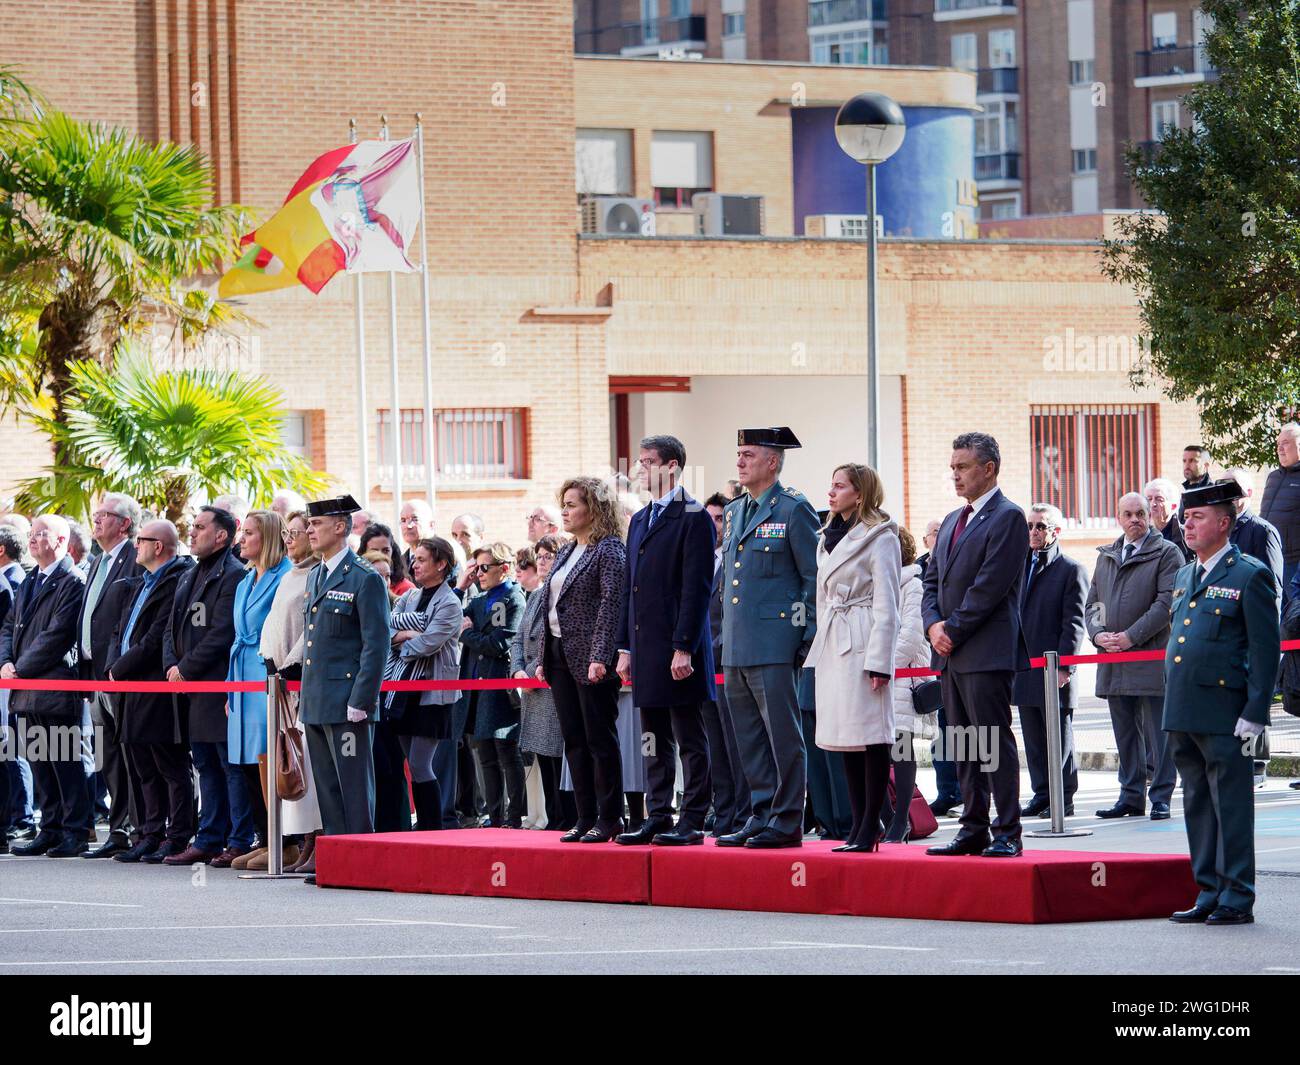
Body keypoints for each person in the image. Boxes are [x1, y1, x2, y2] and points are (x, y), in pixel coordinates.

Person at [1166, 479, 1279, 925]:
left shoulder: (1250, 574)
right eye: (1186, 518)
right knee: (1196, 801)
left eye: (1197, 518)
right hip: (1184, 708)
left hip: (1226, 712)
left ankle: (1237, 895)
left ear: (1225, 523)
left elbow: (1264, 650)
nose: (1187, 525)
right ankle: (1209, 890)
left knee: (1230, 804)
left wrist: (1256, 712)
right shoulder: (1185, 573)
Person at [922, 432, 1029, 859]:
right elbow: (931, 580)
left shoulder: (1008, 517)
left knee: (991, 741)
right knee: (963, 742)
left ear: (989, 469)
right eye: (952, 467)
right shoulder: (951, 520)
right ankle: (973, 826)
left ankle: (1008, 830)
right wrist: (932, 626)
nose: (955, 475)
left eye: (963, 467)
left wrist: (953, 630)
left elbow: (990, 587)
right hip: (950, 652)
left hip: (984, 651)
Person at [717, 427, 819, 850]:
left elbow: (813, 579)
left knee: (783, 735)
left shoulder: (793, 509)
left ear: (772, 462)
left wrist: (806, 636)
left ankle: (788, 819)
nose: (739, 462)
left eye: (749, 455)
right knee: (749, 737)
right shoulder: (737, 509)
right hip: (738, 644)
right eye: (738, 454)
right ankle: (761, 814)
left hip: (777, 642)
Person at [613, 435, 716, 847]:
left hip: (679, 648)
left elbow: (697, 589)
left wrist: (684, 647)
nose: (640, 469)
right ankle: (658, 814)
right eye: (638, 462)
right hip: (645, 647)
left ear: (671, 466)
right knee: (652, 737)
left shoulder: (693, 517)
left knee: (689, 737)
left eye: (648, 462)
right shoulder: (639, 520)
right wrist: (624, 648)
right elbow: (630, 590)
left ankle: (692, 818)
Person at [804, 463, 900, 853]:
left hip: (861, 642)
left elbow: (888, 603)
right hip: (834, 642)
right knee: (845, 737)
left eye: (839, 486)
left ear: (859, 494)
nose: (831, 493)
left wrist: (880, 660)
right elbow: (822, 599)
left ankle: (870, 826)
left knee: (871, 736)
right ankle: (860, 824)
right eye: (830, 486)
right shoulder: (827, 536)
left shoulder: (881, 537)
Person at [535, 476, 627, 843]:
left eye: (573, 504)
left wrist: (601, 654)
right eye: (565, 504)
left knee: (599, 739)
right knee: (573, 739)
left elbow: (611, 605)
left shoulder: (609, 550)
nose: (565, 511)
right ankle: (584, 816)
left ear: (595, 508)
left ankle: (610, 818)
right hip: (558, 654)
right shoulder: (565, 550)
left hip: (591, 658)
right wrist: (543, 652)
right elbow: (549, 604)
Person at [299, 495, 390, 860]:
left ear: (340, 527)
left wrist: (361, 700)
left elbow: (376, 644)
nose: (309, 530)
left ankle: (361, 859)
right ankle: (336, 859)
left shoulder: (363, 578)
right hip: (318, 699)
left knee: (353, 787)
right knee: (328, 787)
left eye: (316, 524)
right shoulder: (317, 573)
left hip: (348, 702)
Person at [1085, 491, 1184, 821]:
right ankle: (1130, 796)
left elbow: (1165, 604)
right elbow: (1094, 603)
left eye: (1140, 512)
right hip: (1113, 660)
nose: (1135, 519)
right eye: (1127, 514)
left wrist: (1130, 637)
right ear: (1118, 518)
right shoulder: (1107, 555)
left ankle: (1161, 796)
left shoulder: (1168, 553)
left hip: (1151, 658)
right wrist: (1098, 634)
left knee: (1159, 734)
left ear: (1150, 514)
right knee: (1125, 732)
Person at [160, 506, 250, 866]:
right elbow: (172, 626)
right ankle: (209, 837)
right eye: (192, 527)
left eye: (199, 527)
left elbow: (222, 633)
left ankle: (239, 839)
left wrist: (185, 668)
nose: (192, 533)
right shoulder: (188, 575)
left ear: (222, 536)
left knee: (230, 765)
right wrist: (171, 665)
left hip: (218, 684)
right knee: (205, 764)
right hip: (191, 686)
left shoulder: (234, 574)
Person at [105, 520, 196, 864]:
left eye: (141, 539)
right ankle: (149, 832)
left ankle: (177, 835)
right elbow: (121, 629)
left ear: (158, 546)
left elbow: (156, 637)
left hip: (154, 686)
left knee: (168, 765)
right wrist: (114, 666)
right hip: (130, 686)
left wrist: (118, 668)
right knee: (141, 764)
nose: (135, 545)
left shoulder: (176, 580)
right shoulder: (141, 582)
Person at [2, 515, 90, 857]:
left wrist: (19, 668)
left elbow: (57, 635)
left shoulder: (72, 581)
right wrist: (6, 662)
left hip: (53, 685)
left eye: (42, 534)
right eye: (32, 534)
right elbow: (9, 626)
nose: (34, 539)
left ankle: (75, 831)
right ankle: (50, 828)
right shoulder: (30, 580)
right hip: (26, 688)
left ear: (60, 541)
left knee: (65, 761)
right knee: (40, 760)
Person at [224, 510, 295, 871]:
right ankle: (264, 837)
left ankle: (286, 842)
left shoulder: (286, 576)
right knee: (247, 762)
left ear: (266, 537)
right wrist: (228, 689)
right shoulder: (244, 580)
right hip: (241, 675)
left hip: (267, 674)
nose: (242, 540)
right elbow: (237, 636)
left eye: (249, 533)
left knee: (271, 759)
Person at [76, 493, 144, 859]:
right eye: (96, 514)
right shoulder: (97, 560)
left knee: (129, 754)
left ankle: (137, 826)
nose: (97, 520)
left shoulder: (133, 559)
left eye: (105, 515)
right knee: (108, 758)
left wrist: (117, 666)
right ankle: (118, 829)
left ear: (124, 524)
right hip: (94, 676)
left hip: (119, 675)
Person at [258, 509, 323, 873]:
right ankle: (302, 840)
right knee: (289, 759)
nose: (289, 539)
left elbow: (310, 628)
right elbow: (272, 624)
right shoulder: (288, 576)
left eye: (296, 533)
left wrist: (294, 661)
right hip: (279, 683)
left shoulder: (317, 575)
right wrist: (268, 657)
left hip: (300, 680)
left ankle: (318, 837)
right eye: (287, 534)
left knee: (307, 762)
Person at [1013, 503, 1089, 818]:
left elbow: (1074, 623)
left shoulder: (1071, 570)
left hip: (1053, 669)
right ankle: (1042, 795)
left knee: (1058, 738)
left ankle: (1063, 798)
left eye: (1040, 526)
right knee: (1032, 738)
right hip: (1024, 668)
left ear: (1055, 531)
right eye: (1029, 526)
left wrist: (1064, 667)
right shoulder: (1018, 565)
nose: (1033, 532)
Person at [385, 536, 463, 832]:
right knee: (411, 763)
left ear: (441, 564)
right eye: (413, 559)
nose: (414, 564)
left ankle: (433, 825)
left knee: (420, 763)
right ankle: (426, 826)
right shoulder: (408, 597)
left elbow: (429, 643)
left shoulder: (450, 603)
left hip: (433, 694)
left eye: (421, 559)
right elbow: (388, 630)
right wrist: (406, 633)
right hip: (402, 689)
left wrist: (405, 636)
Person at [458, 542, 526, 827]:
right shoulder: (477, 600)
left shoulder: (511, 598)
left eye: (485, 567)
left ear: (504, 569)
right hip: (476, 687)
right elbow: (454, 620)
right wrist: (463, 583)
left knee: (506, 752)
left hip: (499, 686)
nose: (480, 573)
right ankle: (495, 816)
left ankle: (514, 816)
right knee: (485, 753)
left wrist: (468, 634)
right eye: (476, 568)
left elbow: (499, 643)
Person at [511, 533, 567, 829]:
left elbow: (553, 638)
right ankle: (553, 817)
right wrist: (518, 669)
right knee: (542, 757)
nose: (543, 562)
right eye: (540, 556)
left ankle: (562, 817)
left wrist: (532, 669)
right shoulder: (535, 595)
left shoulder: (562, 592)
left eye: (549, 556)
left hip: (551, 683)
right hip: (532, 687)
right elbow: (519, 638)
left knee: (557, 757)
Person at [702, 492, 749, 837]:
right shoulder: (700, 561)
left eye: (720, 519)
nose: (714, 526)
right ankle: (724, 811)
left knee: (737, 744)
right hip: (702, 667)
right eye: (709, 519)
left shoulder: (735, 561)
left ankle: (743, 814)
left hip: (728, 663)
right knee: (714, 746)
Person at [886, 526, 934, 843]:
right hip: (878, 678)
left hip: (901, 678)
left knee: (900, 752)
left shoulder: (912, 585)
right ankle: (886, 819)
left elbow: (912, 635)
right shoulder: (881, 585)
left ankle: (901, 820)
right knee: (877, 754)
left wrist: (880, 665)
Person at [1260, 422, 1300, 599]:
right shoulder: (1273, 477)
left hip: (1294, 563)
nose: (1280, 449)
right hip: (1269, 557)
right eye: (1278, 444)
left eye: (1286, 443)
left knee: (1294, 618)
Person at [1145, 477, 1193, 564]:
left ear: (1173, 506)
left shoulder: (1187, 535)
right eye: (1149, 499)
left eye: (1159, 499)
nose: (1153, 504)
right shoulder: (1141, 536)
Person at [360, 521, 412, 596]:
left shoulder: (406, 589)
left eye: (385, 550)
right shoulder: (355, 584)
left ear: (392, 551)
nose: (380, 555)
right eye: (374, 551)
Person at [1178, 445, 1212, 518]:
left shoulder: (1212, 493)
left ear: (1205, 465)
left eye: (1192, 461)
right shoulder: (1184, 491)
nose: (1186, 465)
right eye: (1184, 461)